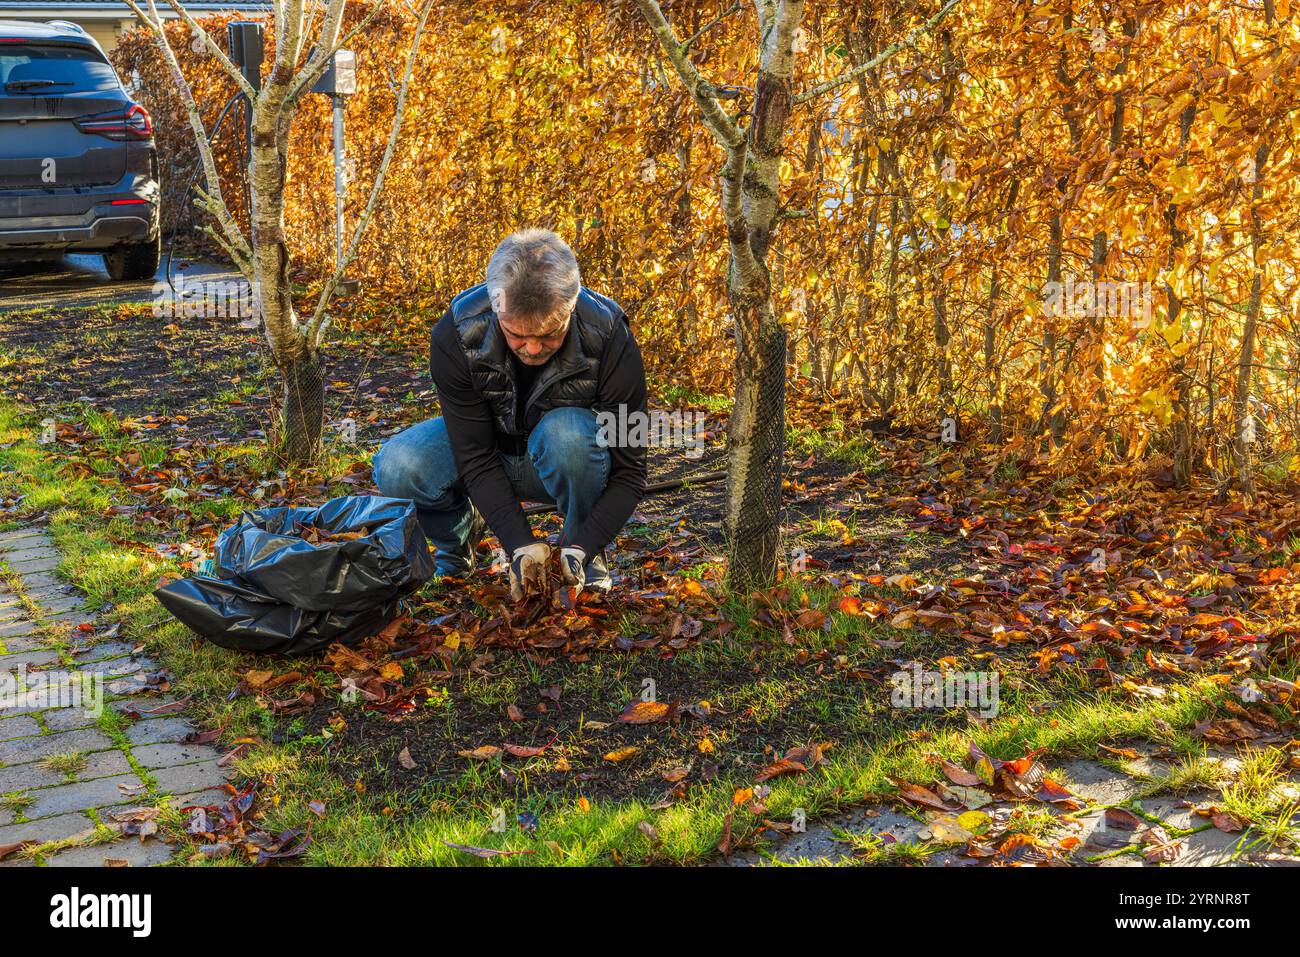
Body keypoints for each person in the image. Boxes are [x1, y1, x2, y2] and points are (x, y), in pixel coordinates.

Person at [372, 228, 648, 600]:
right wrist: (519, 545)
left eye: (550, 333)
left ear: (572, 305)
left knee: (566, 434)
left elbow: (631, 469)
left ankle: (581, 556)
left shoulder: (612, 335)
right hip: (490, 451)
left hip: (569, 458)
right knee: (399, 464)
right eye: (517, 334)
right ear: (495, 305)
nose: (533, 348)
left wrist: (587, 543)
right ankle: (458, 545)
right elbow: (474, 455)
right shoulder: (456, 332)